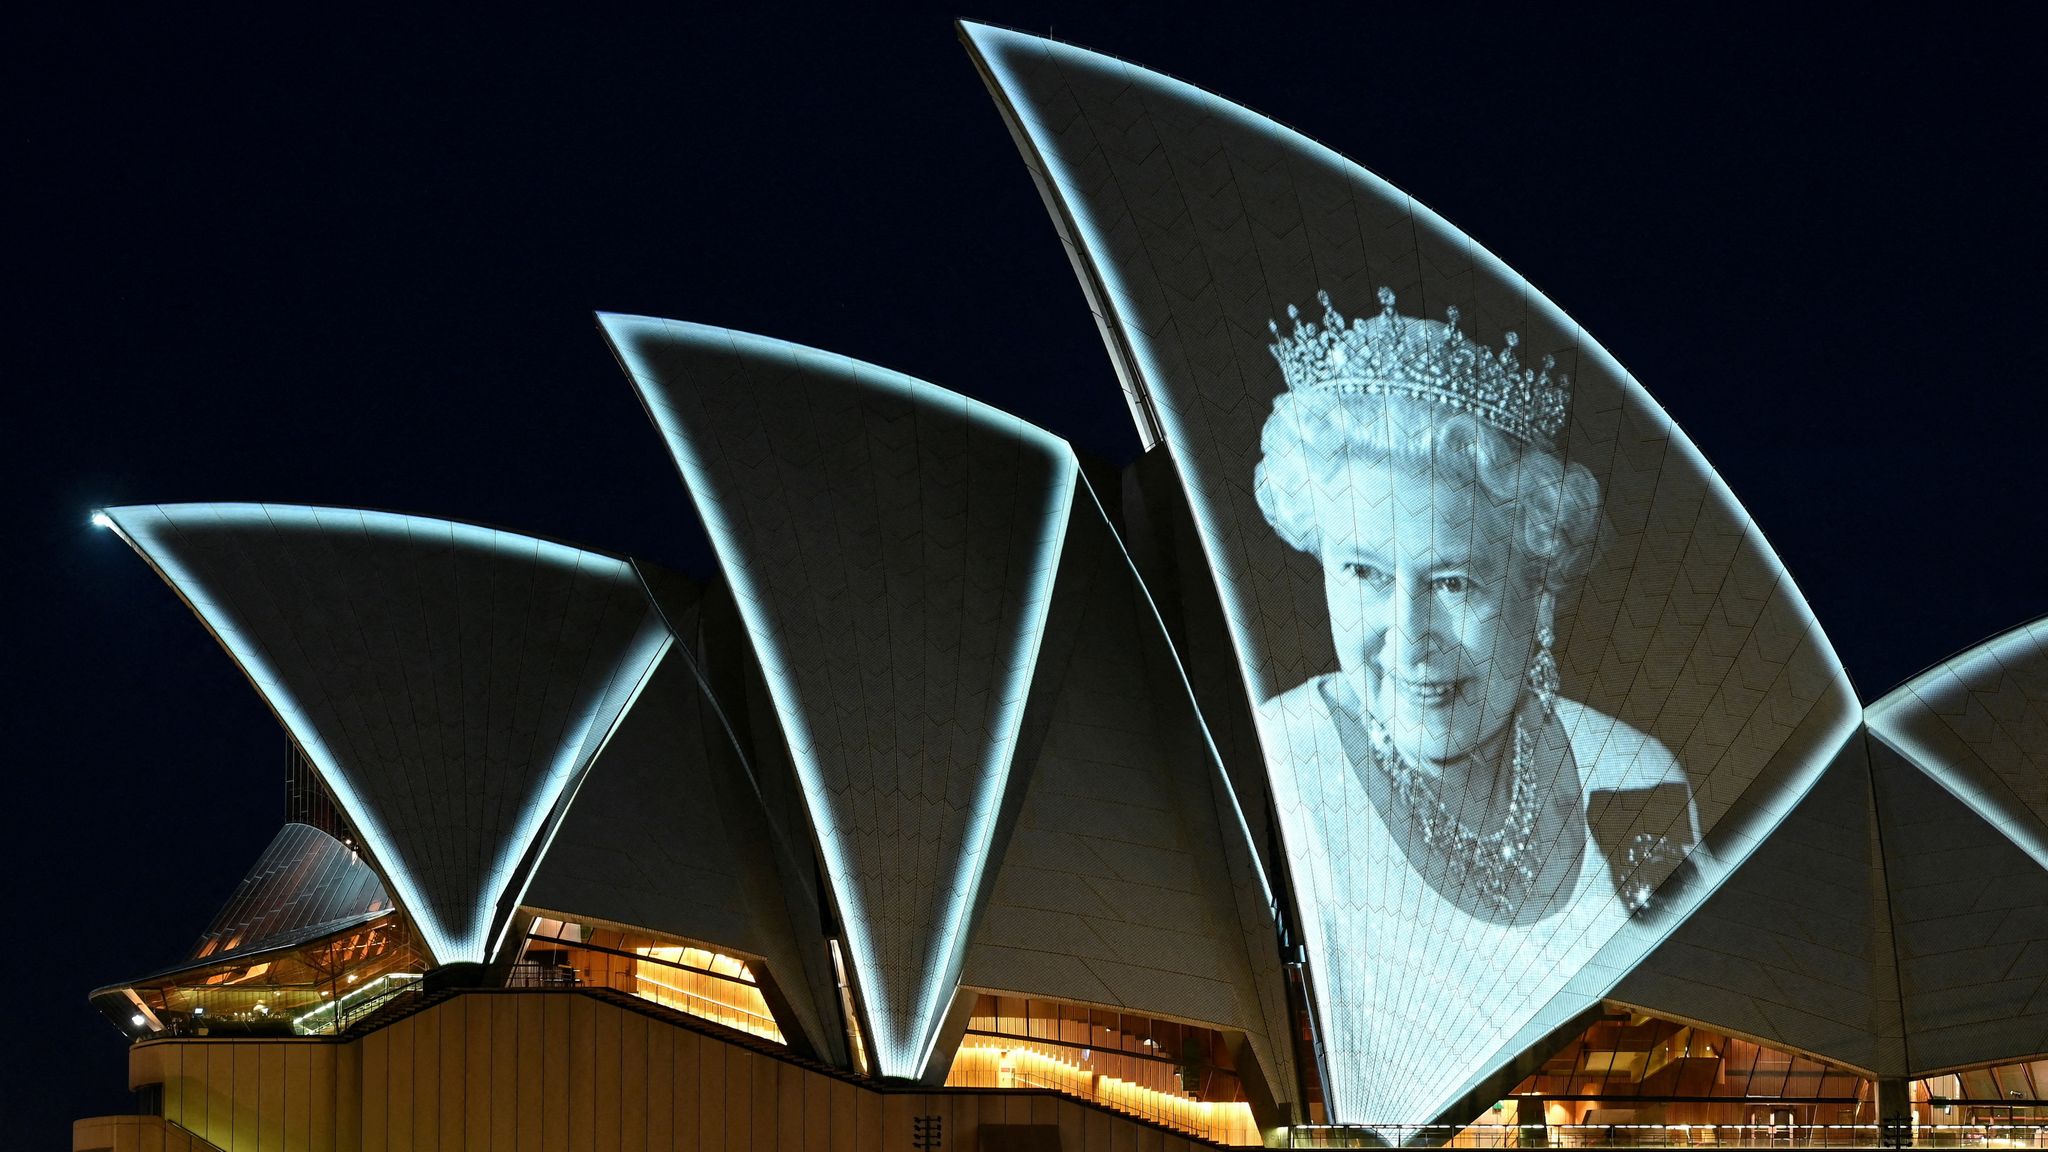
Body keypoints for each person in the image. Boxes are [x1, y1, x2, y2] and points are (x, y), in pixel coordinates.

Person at [1252, 288, 1700, 1119]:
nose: (1408, 635)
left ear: (1541, 587)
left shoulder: (1636, 773)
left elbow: (1686, 1039)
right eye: (1363, 573)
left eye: (1453, 581)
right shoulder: (1270, 775)